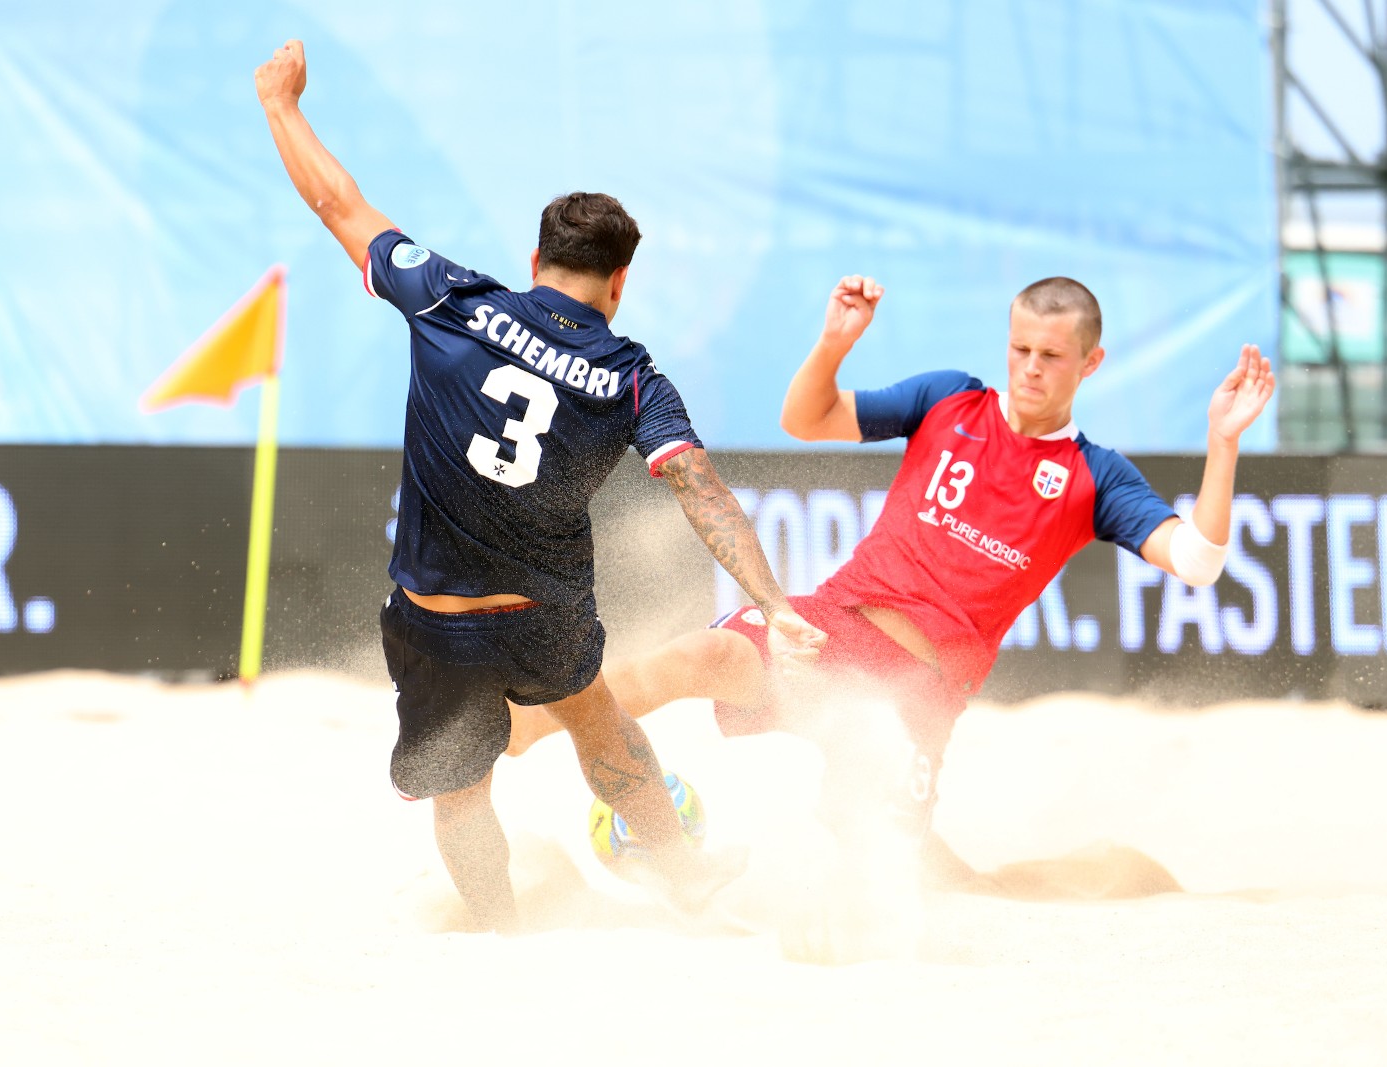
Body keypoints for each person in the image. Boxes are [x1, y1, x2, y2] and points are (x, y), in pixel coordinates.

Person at [254, 40, 825, 933]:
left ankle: (497, 923)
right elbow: (702, 492)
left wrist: (282, 106)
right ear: (619, 283)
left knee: (460, 791)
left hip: (435, 614)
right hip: (541, 614)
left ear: (534, 259)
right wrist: (773, 602)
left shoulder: (450, 299)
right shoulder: (632, 376)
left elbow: (338, 202)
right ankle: (681, 870)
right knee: (600, 723)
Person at [509, 272, 1275, 892]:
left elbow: (1200, 559)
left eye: (1051, 355)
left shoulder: (1093, 476)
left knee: (921, 878)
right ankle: (521, 727)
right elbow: (806, 418)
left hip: (917, 694)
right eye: (1020, 348)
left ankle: (1103, 873)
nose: (1031, 368)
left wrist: (1223, 443)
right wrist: (834, 344)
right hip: (833, 627)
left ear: (1090, 362)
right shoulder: (952, 399)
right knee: (696, 657)